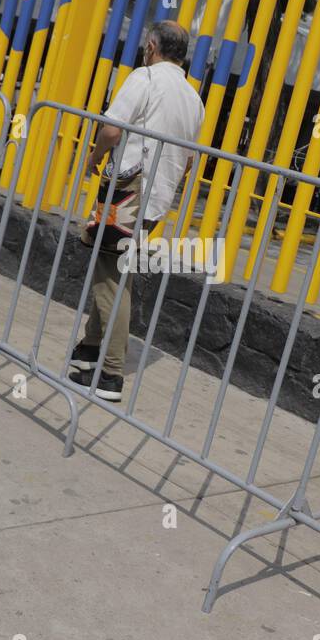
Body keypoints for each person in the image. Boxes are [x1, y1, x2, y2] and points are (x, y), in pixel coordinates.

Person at [67, 21, 205, 402]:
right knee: (114, 265)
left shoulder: (143, 78)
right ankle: (92, 346)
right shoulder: (194, 99)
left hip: (126, 189)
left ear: (151, 46)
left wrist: (93, 157)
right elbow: (190, 159)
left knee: (111, 277)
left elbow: (111, 131)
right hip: (157, 198)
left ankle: (111, 375)